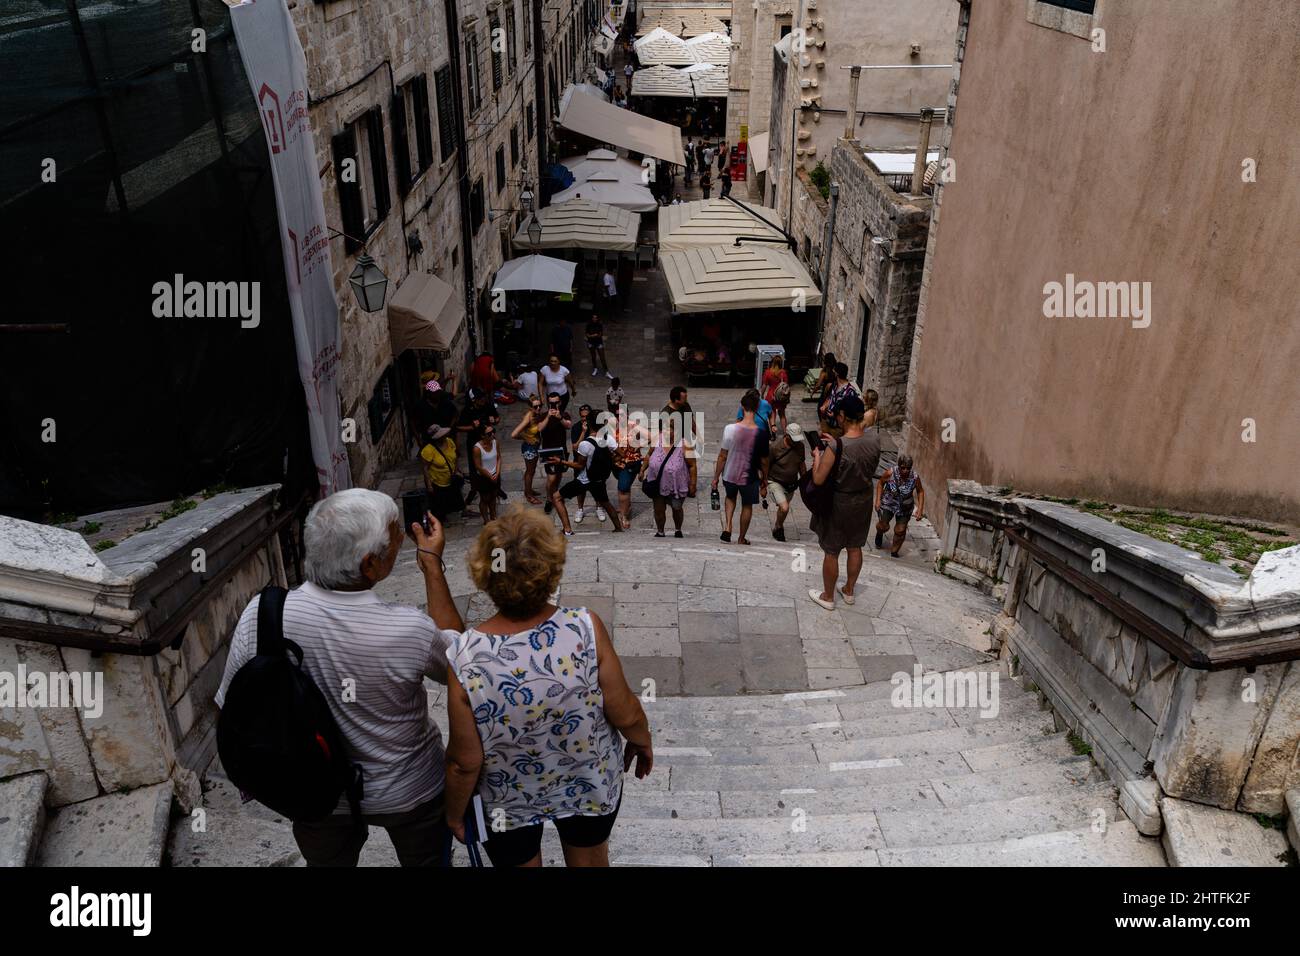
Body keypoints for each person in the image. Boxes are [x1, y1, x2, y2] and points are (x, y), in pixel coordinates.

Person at [216, 489, 465, 867]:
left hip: (313, 790)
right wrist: (431, 563)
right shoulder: (408, 629)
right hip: (408, 789)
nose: (402, 539)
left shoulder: (264, 614)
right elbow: (459, 667)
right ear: (369, 565)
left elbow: (229, 706)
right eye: (396, 533)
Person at [443, 507, 653, 867]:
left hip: (508, 796)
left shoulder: (464, 656)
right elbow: (625, 710)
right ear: (551, 569)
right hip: (586, 781)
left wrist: (453, 812)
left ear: (485, 575)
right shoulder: (585, 628)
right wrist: (642, 740)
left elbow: (465, 761)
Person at [808, 393, 881, 609]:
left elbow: (819, 478)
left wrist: (818, 457)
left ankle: (828, 597)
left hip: (841, 501)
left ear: (842, 416)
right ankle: (849, 590)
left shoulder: (837, 447)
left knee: (832, 550)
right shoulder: (875, 440)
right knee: (855, 545)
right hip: (864, 498)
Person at [711, 390, 770, 546]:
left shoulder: (730, 429)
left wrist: (716, 477)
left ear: (742, 407)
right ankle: (741, 538)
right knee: (747, 505)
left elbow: (722, 455)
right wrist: (765, 478)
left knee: (730, 498)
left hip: (729, 473)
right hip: (749, 476)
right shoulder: (762, 434)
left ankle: (728, 526)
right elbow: (764, 461)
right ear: (757, 408)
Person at [552, 430, 623, 535]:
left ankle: (567, 530)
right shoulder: (608, 438)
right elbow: (621, 454)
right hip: (599, 479)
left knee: (556, 497)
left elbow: (580, 465)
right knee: (606, 503)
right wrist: (611, 462)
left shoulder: (585, 444)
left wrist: (561, 462)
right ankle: (618, 529)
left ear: (589, 425)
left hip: (585, 480)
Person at [639, 418, 696, 538]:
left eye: (669, 430)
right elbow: (649, 455)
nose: (665, 432)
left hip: (677, 484)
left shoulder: (686, 444)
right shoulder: (657, 439)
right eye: (663, 429)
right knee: (659, 509)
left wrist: (693, 484)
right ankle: (660, 531)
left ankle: (678, 529)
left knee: (677, 508)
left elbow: (692, 465)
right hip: (657, 482)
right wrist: (642, 470)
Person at [874, 454, 926, 558]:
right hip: (889, 502)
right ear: (899, 466)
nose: (905, 471)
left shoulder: (915, 477)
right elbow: (880, 484)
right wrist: (878, 500)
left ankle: (894, 552)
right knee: (883, 525)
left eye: (908, 468)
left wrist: (920, 509)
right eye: (903, 468)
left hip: (905, 505)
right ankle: (880, 533)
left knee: (900, 530)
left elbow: (920, 491)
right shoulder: (890, 473)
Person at [767, 422, 807, 542]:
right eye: (793, 439)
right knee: (784, 508)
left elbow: (801, 464)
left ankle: (778, 525)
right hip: (775, 481)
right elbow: (766, 465)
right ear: (786, 436)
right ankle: (779, 527)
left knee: (783, 508)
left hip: (791, 484)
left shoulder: (800, 447)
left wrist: (804, 480)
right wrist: (762, 484)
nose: (796, 442)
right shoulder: (775, 447)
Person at [538, 393, 571, 519]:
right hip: (548, 451)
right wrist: (548, 416)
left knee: (559, 474)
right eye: (551, 402)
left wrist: (559, 418)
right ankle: (549, 499)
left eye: (556, 402)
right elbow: (539, 429)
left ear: (560, 402)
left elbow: (568, 425)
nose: (554, 405)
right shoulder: (543, 415)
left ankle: (556, 494)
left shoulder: (564, 414)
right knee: (551, 478)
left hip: (561, 450)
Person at [420, 426, 463, 521]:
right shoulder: (428, 450)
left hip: (451, 478)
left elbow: (455, 457)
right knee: (439, 503)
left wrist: (456, 470)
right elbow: (425, 468)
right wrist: (429, 485)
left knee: (450, 498)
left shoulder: (449, 441)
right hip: (438, 481)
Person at [611, 415, 645, 530]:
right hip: (615, 463)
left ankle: (624, 516)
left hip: (630, 463)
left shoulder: (634, 427)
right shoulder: (609, 427)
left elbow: (652, 437)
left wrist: (640, 444)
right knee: (624, 485)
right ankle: (626, 506)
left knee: (623, 487)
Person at [510, 395, 545, 504]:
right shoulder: (528, 417)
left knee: (531, 471)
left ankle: (528, 490)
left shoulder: (537, 415)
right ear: (530, 408)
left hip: (534, 447)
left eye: (540, 406)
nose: (538, 408)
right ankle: (529, 495)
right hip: (529, 449)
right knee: (530, 472)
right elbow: (514, 434)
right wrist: (526, 438)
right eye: (535, 407)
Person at [568, 404, 598, 524]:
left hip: (595, 462)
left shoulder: (596, 427)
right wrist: (583, 432)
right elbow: (575, 447)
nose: (584, 419)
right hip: (580, 462)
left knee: (597, 486)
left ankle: (599, 507)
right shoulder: (576, 427)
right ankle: (580, 509)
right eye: (582, 417)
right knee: (580, 487)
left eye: (586, 417)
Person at [470, 423, 503, 525]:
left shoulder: (495, 442)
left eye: (493, 432)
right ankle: (486, 520)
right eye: (489, 433)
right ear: (482, 435)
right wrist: (490, 476)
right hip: (483, 476)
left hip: (495, 474)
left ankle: (493, 515)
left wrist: (497, 473)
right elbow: (478, 466)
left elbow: (499, 458)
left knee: (493, 495)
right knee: (485, 499)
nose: (492, 435)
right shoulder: (477, 448)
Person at [762, 354, 791, 433]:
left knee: (772, 414)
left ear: (772, 362)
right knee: (782, 415)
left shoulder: (768, 372)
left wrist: (762, 394)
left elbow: (764, 385)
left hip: (771, 396)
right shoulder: (783, 373)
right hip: (781, 397)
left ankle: (773, 432)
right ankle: (785, 432)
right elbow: (786, 385)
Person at [586, 314, 612, 378]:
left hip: (598, 343)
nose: (595, 319)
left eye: (596, 318)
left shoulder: (599, 325)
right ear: (591, 318)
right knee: (593, 356)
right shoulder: (588, 325)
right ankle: (595, 368)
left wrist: (593, 335)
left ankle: (606, 372)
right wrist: (593, 335)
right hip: (591, 343)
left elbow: (600, 335)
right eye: (593, 318)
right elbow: (587, 334)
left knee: (602, 357)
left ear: (597, 319)